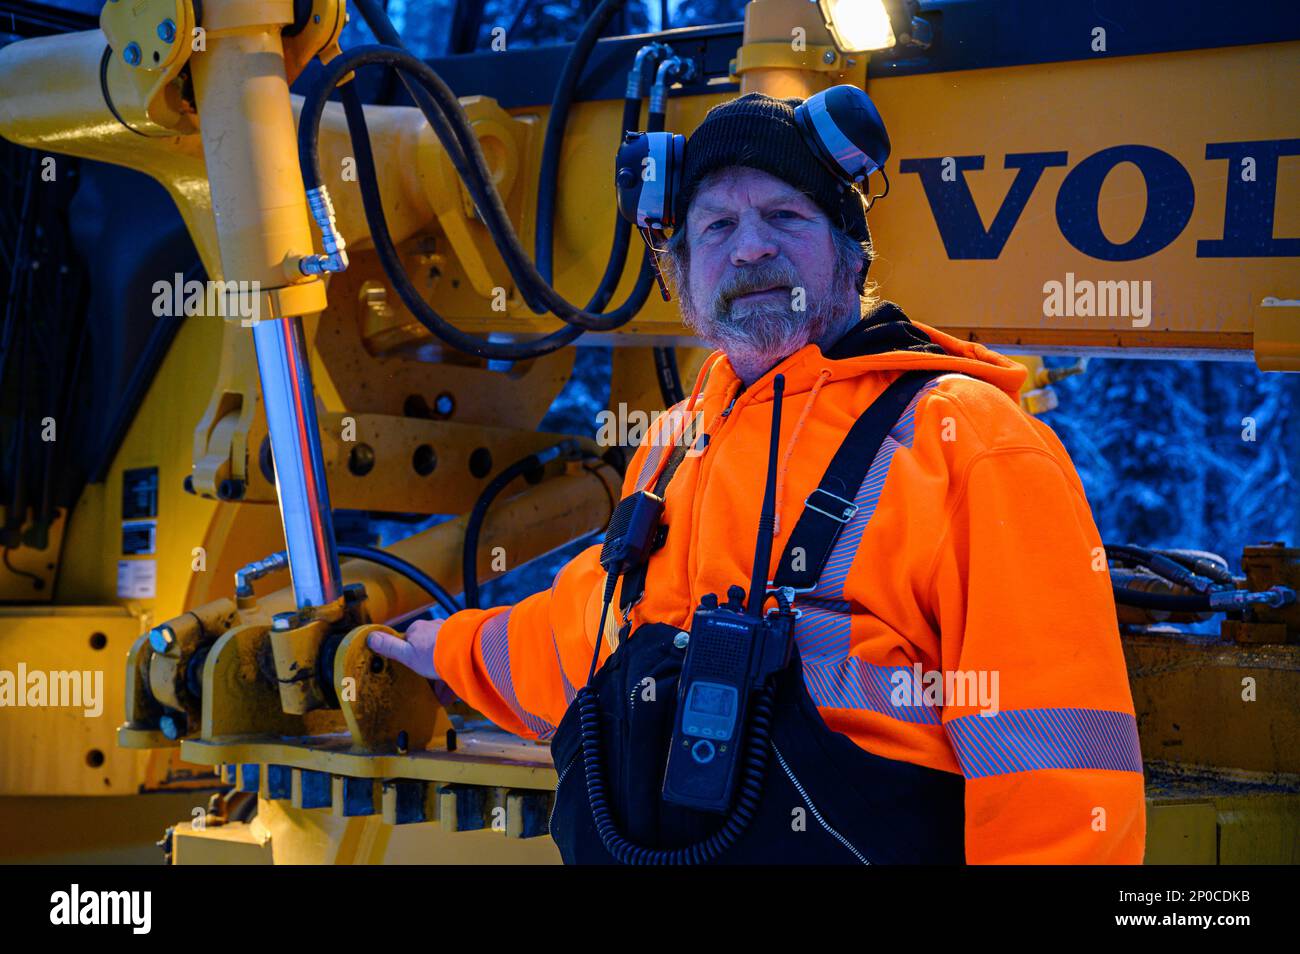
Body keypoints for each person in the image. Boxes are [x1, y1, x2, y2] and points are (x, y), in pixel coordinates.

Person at [369, 91, 1147, 864]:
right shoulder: (679, 442)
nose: (749, 250)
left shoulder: (967, 439)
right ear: (680, 274)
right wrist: (442, 651)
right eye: (716, 226)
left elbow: (1055, 757)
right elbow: (584, 640)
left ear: (850, 254)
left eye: (785, 217)